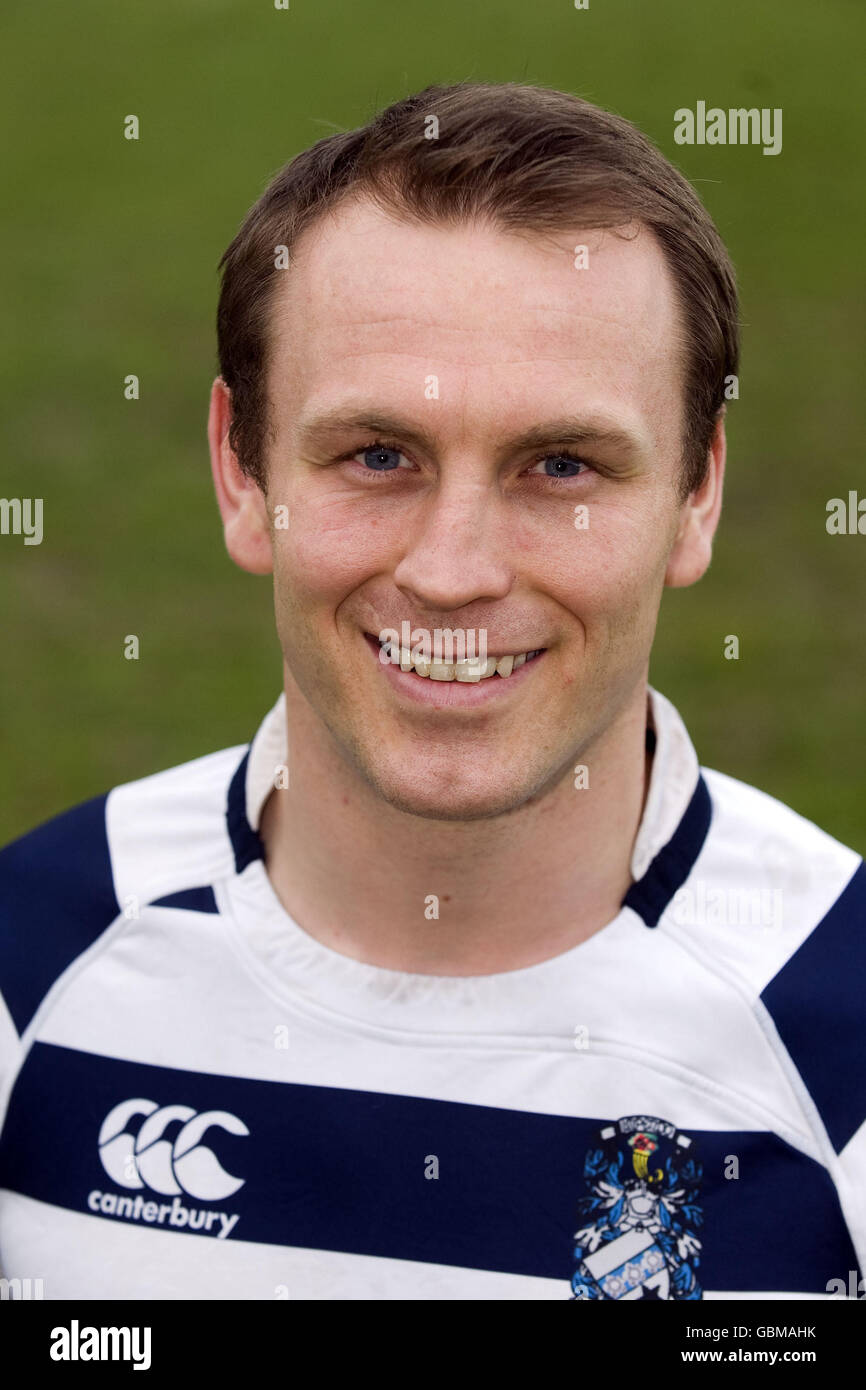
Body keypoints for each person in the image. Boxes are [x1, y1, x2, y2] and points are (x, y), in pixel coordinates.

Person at [0, 82, 862, 1302]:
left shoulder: (846, 1029)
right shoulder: (27, 971)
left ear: (695, 495)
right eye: (377, 457)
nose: (452, 571)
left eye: (560, 463)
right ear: (240, 473)